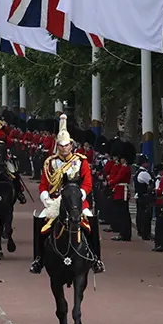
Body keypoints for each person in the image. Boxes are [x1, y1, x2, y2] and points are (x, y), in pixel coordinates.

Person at [30, 114, 104, 275]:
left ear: (71, 145)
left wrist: (80, 197)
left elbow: (87, 184)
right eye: (61, 146)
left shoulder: (81, 161)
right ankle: (38, 259)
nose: (64, 149)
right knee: (40, 221)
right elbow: (44, 184)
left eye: (66, 145)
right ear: (58, 146)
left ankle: (96, 258)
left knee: (91, 221)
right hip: (55, 201)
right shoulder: (50, 162)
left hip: (77, 202)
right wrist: (46, 199)